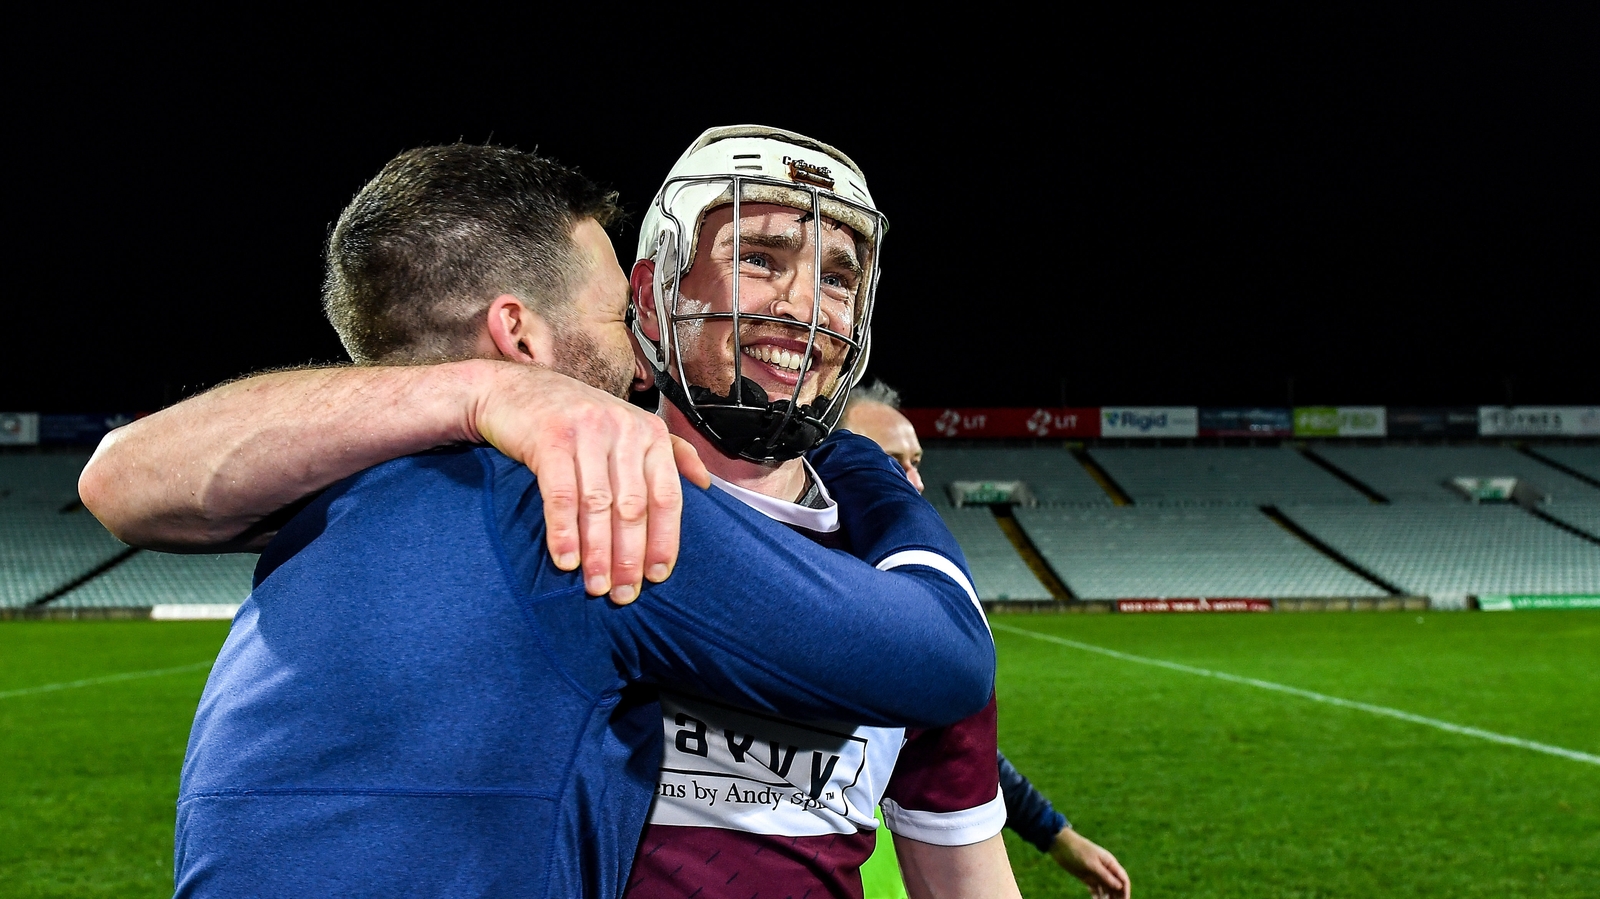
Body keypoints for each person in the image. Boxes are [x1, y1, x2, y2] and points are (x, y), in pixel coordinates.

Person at [83, 141, 997, 898]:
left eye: (838, 275)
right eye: (617, 313)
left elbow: (119, 477)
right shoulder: (597, 498)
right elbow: (946, 658)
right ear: (521, 336)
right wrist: (867, 467)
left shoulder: (322, 494)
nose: (639, 351)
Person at [841, 382, 1133, 899]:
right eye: (889, 461)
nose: (916, 481)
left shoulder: (915, 608)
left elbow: (956, 751)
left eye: (916, 461)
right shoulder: (767, 610)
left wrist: (1056, 835)